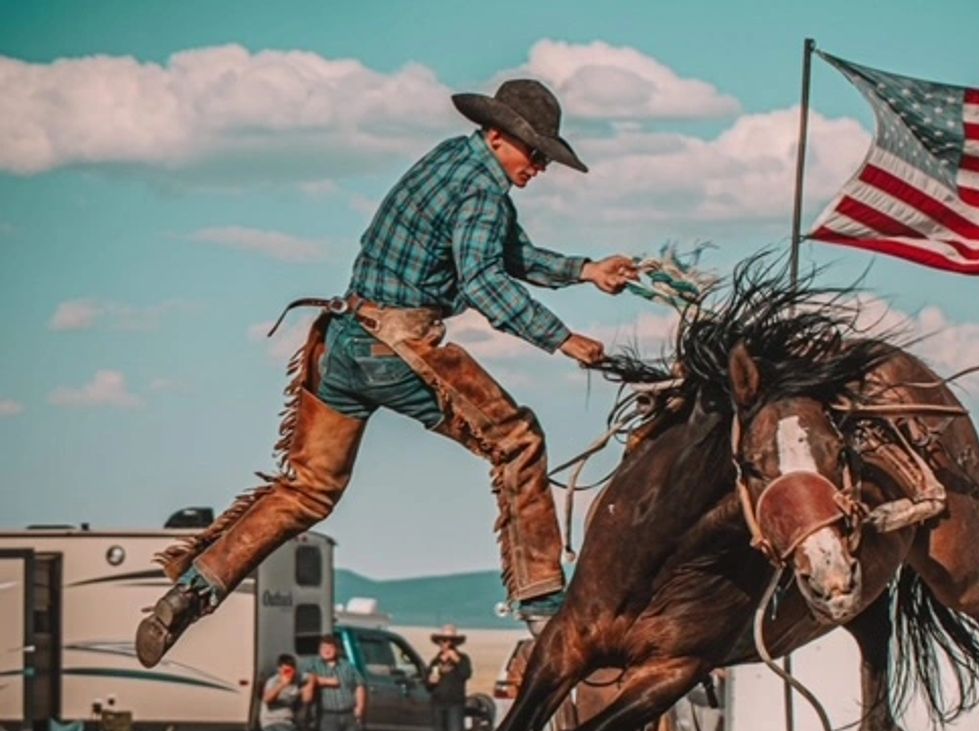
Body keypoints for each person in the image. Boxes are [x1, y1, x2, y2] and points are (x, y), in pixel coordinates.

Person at [135, 78, 639, 669]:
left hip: (341, 340)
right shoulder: (483, 192)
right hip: (395, 346)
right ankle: (542, 606)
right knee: (517, 440)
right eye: (535, 154)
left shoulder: (450, 160)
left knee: (307, 488)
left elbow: (502, 253)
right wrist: (562, 338)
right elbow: (483, 280)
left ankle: (193, 590)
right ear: (500, 137)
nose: (540, 168)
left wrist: (585, 269)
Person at [301, 634, 366, 731]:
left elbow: (359, 685)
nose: (326, 651)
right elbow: (305, 678)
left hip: (349, 713)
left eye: (330, 648)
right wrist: (325, 681)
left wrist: (360, 707)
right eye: (323, 647)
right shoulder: (314, 665)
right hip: (328, 714)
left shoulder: (347, 666)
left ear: (336, 649)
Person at [427, 625, 473, 731]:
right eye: (444, 640)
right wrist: (431, 680)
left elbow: (466, 674)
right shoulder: (435, 661)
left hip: (455, 704)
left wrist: (456, 660)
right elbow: (427, 683)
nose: (446, 644)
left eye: (450, 641)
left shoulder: (463, 659)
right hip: (438, 704)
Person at [259, 653, 310, 731]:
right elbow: (267, 698)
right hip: (273, 720)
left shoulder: (297, 679)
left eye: (291, 669)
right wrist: (282, 684)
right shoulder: (274, 681)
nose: (288, 672)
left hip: (289, 721)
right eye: (285, 669)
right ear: (279, 669)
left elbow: (312, 678)